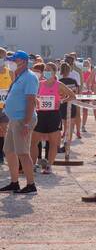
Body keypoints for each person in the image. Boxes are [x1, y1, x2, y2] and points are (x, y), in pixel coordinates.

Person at [1, 51, 40, 194]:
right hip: (14, 119)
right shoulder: (20, 76)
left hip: (22, 120)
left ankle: (31, 185)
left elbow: (31, 101)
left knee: (23, 153)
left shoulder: (29, 77)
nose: (9, 63)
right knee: (9, 150)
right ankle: (14, 182)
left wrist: (26, 123)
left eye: (13, 60)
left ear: (22, 61)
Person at [32, 61, 63, 174]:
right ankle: (33, 164)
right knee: (34, 141)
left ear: (55, 72)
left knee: (53, 142)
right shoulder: (39, 83)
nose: (47, 72)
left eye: (49, 70)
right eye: (45, 70)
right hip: (40, 114)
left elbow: (72, 95)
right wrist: (36, 100)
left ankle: (49, 166)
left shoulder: (58, 84)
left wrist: (61, 101)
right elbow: (32, 95)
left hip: (53, 115)